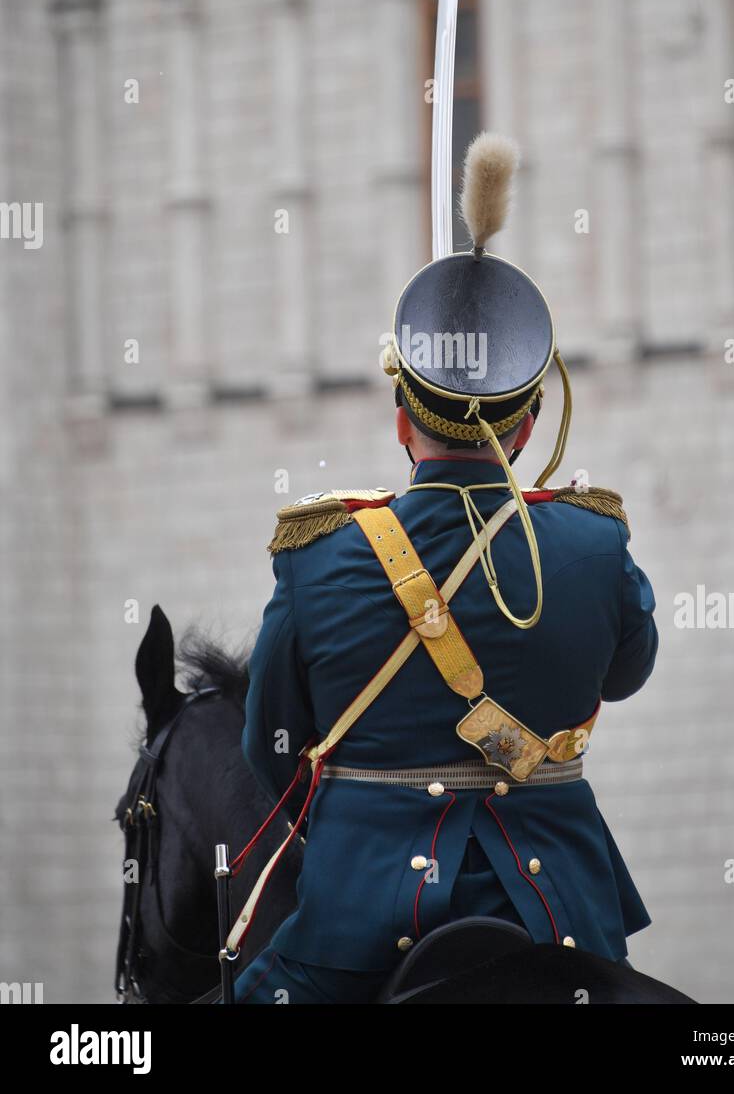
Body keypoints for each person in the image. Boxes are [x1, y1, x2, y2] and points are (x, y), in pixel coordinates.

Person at [233, 133, 658, 1004]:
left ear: (401, 419)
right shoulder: (592, 540)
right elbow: (630, 671)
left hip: (357, 917)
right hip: (562, 912)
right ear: (530, 424)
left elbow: (270, 745)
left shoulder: (317, 556)